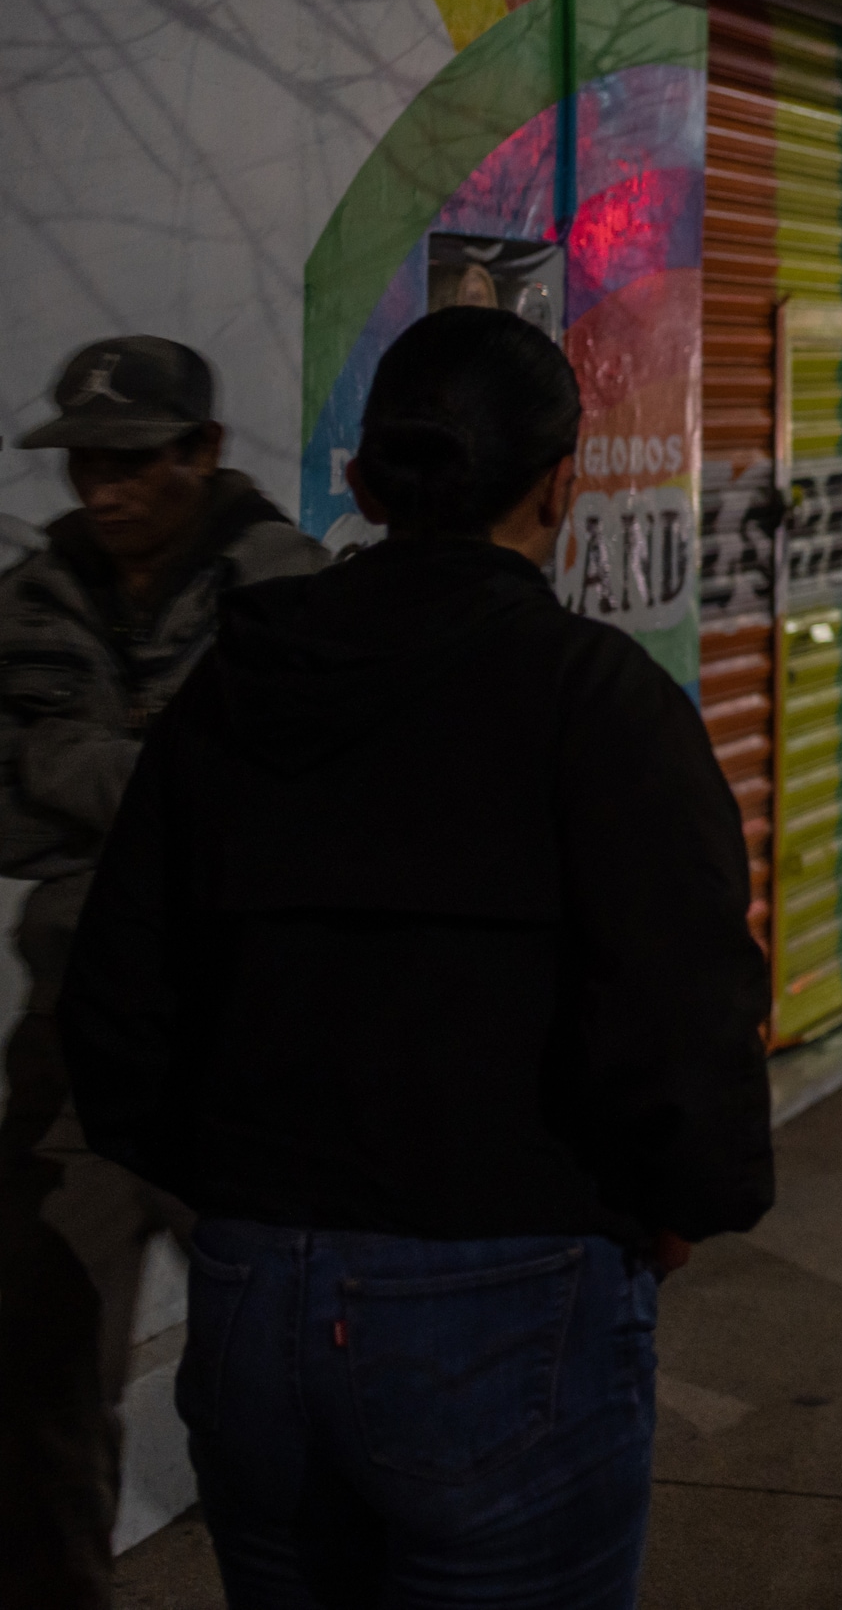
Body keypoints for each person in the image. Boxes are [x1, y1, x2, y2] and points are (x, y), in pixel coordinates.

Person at [56, 306, 774, 1605]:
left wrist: (241, 1191)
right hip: (510, 1299)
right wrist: (687, 1198)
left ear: (368, 482)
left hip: (256, 1297)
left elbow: (117, 1002)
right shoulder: (594, 700)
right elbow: (684, 1008)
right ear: (562, 482)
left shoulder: (235, 686)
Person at [0, 335, 327, 1607]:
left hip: (244, 1044)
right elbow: (11, 818)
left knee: (288, 1372)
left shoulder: (287, 592)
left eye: (135, 462)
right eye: (86, 463)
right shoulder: (34, 599)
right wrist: (165, 783)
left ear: (204, 451)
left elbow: (277, 813)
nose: (104, 490)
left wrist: (76, 762)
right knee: (34, 1374)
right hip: (74, 1038)